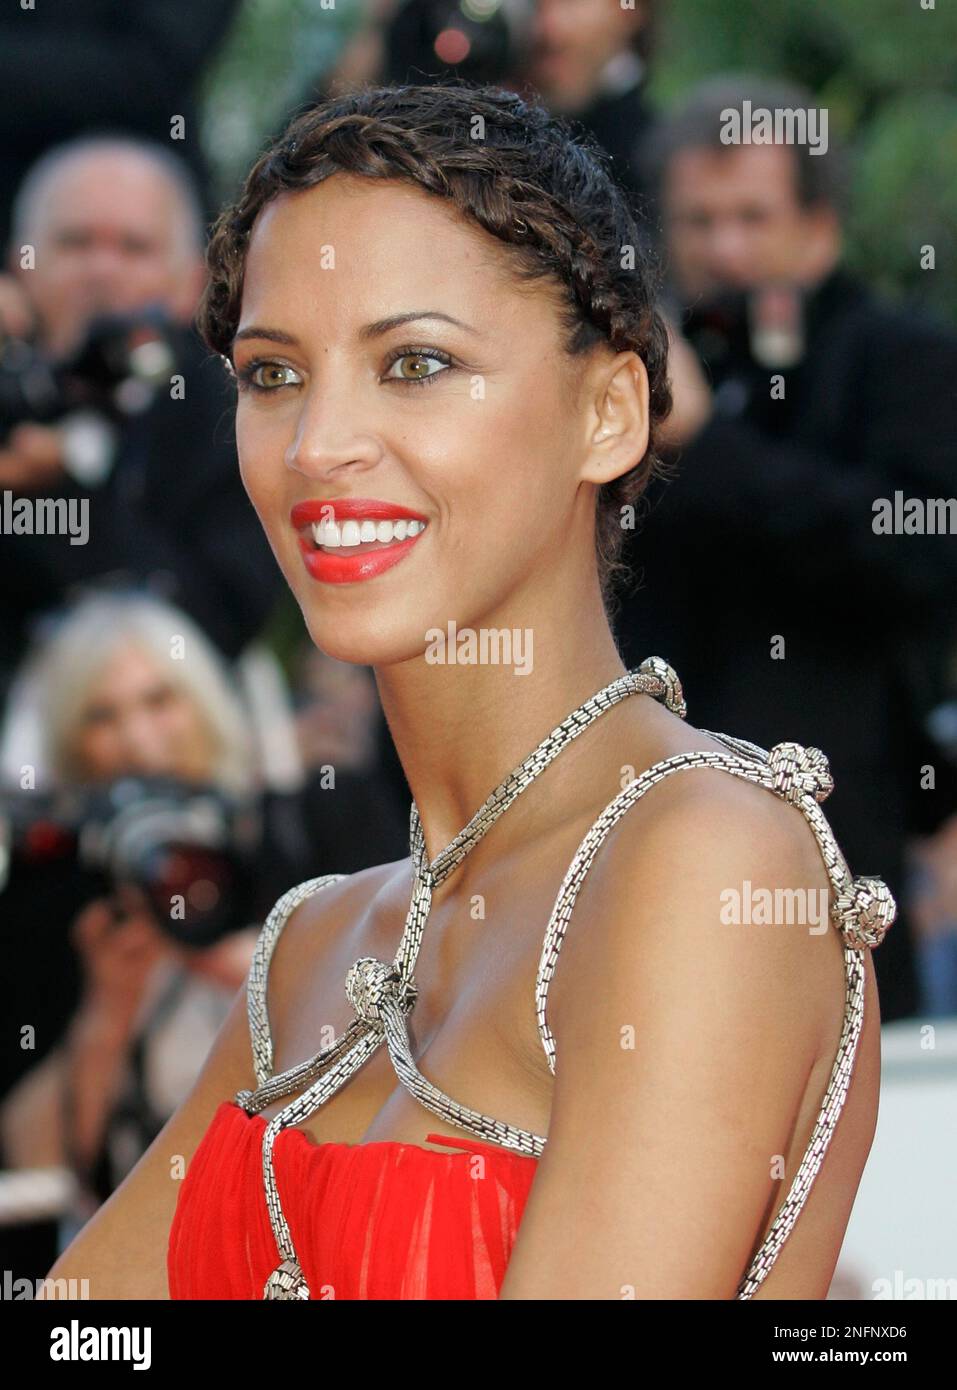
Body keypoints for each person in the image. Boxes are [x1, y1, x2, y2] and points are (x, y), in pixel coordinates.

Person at [44, 82, 895, 1301]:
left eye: (417, 362)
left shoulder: (700, 859)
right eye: (273, 375)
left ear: (609, 414)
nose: (318, 444)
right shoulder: (310, 950)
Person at [614, 74, 957, 1024]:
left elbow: (922, 550)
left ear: (818, 223)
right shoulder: (644, 370)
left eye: (751, 217)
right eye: (699, 221)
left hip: (835, 828)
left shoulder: (900, 360)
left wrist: (707, 447)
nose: (724, 248)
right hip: (644, 819)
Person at [0, 134, 284, 690]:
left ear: (189, 284)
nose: (102, 271)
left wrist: (64, 487)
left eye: (133, 248)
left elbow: (217, 621)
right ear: (21, 267)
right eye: (75, 243)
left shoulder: (233, 420)